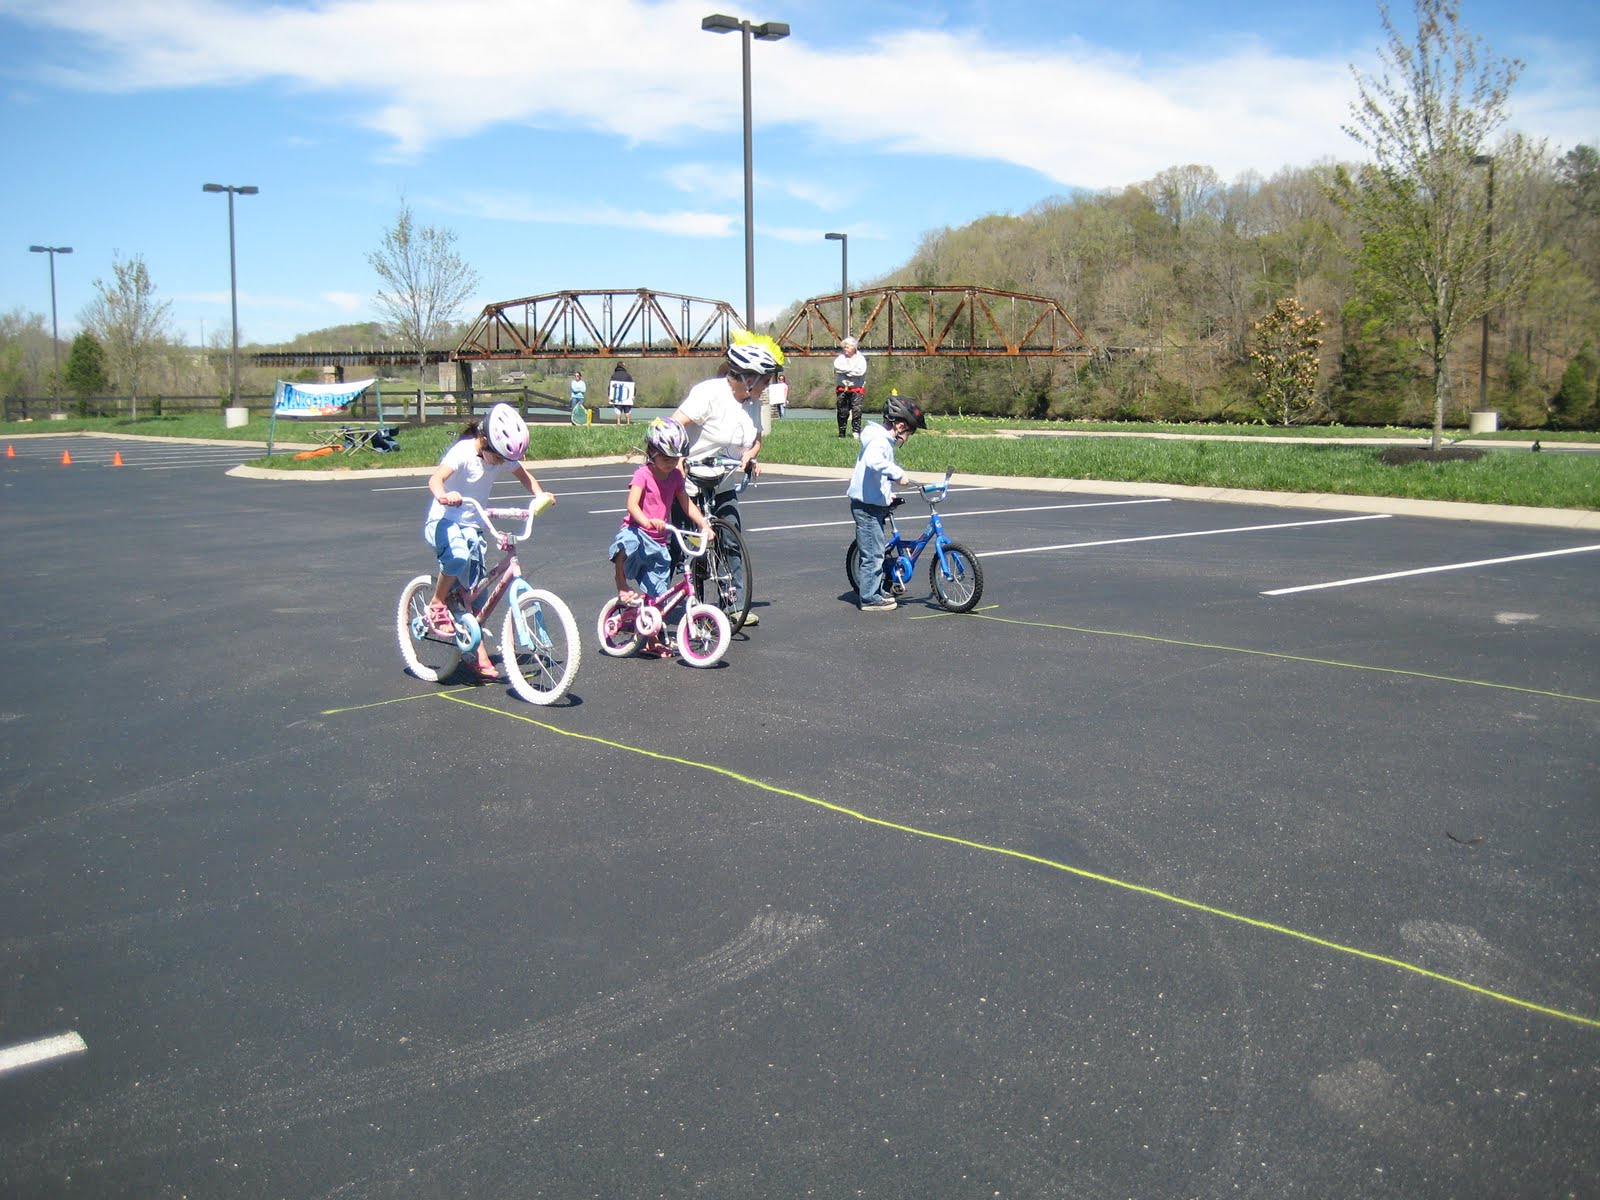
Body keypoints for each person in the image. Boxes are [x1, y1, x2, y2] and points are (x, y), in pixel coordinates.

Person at [422, 403, 552, 678]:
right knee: (457, 557)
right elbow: (436, 479)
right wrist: (444, 495)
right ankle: (436, 603)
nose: (502, 464)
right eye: (499, 458)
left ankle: (473, 650)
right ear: (483, 440)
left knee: (475, 593)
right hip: (444, 520)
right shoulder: (464, 452)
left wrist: (539, 494)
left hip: (473, 525)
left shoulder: (500, 454)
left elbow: (524, 475)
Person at [667, 334, 778, 626]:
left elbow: (755, 440)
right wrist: (677, 459)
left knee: (730, 539)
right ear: (749, 378)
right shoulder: (710, 393)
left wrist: (750, 456)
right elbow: (674, 424)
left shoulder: (752, 402)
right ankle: (656, 601)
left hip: (723, 480)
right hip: (690, 480)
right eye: (766, 380)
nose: (768, 386)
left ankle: (732, 604)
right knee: (681, 545)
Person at [608, 419, 712, 657]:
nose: (670, 464)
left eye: (675, 459)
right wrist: (645, 521)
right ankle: (621, 584)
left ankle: (650, 640)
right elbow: (631, 504)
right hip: (638, 530)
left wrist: (703, 524)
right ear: (651, 453)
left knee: (657, 595)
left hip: (660, 541)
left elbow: (686, 503)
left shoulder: (675, 477)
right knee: (627, 543)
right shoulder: (642, 474)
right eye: (666, 458)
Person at [848, 393, 926, 612]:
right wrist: (898, 472)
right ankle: (869, 598)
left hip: (873, 503)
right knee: (873, 553)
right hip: (866, 507)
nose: (907, 439)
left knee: (877, 549)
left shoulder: (881, 440)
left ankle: (875, 589)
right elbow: (874, 462)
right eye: (908, 433)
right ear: (900, 426)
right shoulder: (880, 441)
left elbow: (876, 477)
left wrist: (887, 494)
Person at [833, 336, 867, 438]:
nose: (845, 349)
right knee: (842, 411)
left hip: (857, 388)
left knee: (857, 410)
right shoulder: (840, 358)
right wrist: (851, 370)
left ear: (853, 347)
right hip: (842, 388)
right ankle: (841, 433)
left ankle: (856, 432)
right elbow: (837, 368)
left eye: (847, 347)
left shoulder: (861, 359)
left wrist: (846, 370)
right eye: (844, 347)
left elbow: (860, 371)